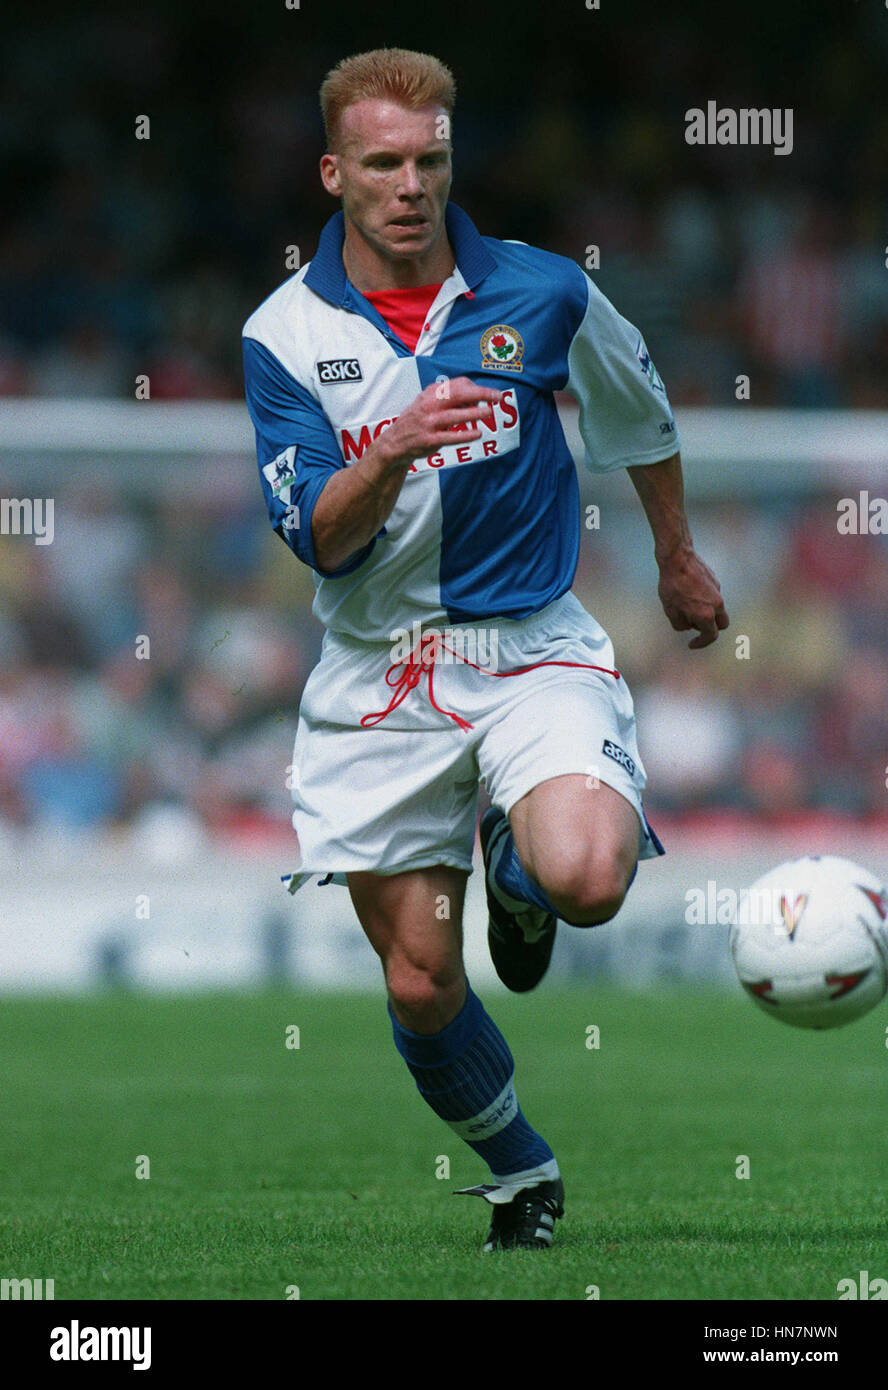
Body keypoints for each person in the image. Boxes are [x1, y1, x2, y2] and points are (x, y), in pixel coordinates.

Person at [242, 47, 728, 1252]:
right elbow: (318, 537)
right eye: (384, 163)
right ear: (333, 173)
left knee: (588, 880)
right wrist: (397, 444)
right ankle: (523, 1167)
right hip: (377, 672)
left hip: (529, 645)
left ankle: (521, 861)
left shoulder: (544, 290)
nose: (412, 185)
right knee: (418, 982)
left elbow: (637, 408)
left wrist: (675, 554)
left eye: (432, 159)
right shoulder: (284, 336)